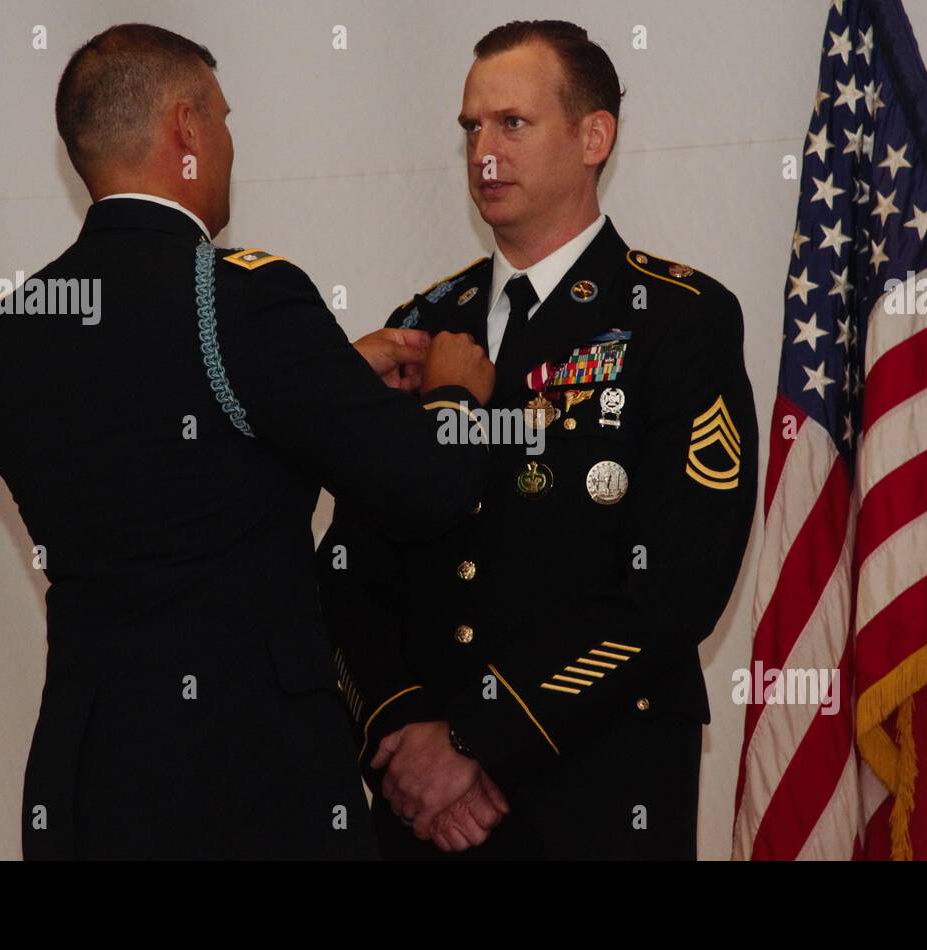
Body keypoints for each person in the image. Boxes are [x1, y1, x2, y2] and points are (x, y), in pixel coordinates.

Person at [0, 23, 493, 859]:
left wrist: (330, 375)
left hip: (88, 767)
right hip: (249, 774)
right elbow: (424, 488)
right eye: (222, 116)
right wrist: (455, 395)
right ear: (184, 129)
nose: (227, 142)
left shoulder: (6, 330)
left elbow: (168, 446)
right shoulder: (239, 295)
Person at [317, 19, 758, 859]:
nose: (483, 152)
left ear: (595, 137)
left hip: (598, 788)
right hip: (424, 814)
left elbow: (681, 580)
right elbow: (351, 569)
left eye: (511, 124)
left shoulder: (677, 319)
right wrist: (400, 736)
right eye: (470, 129)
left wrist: (479, 743)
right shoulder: (421, 328)